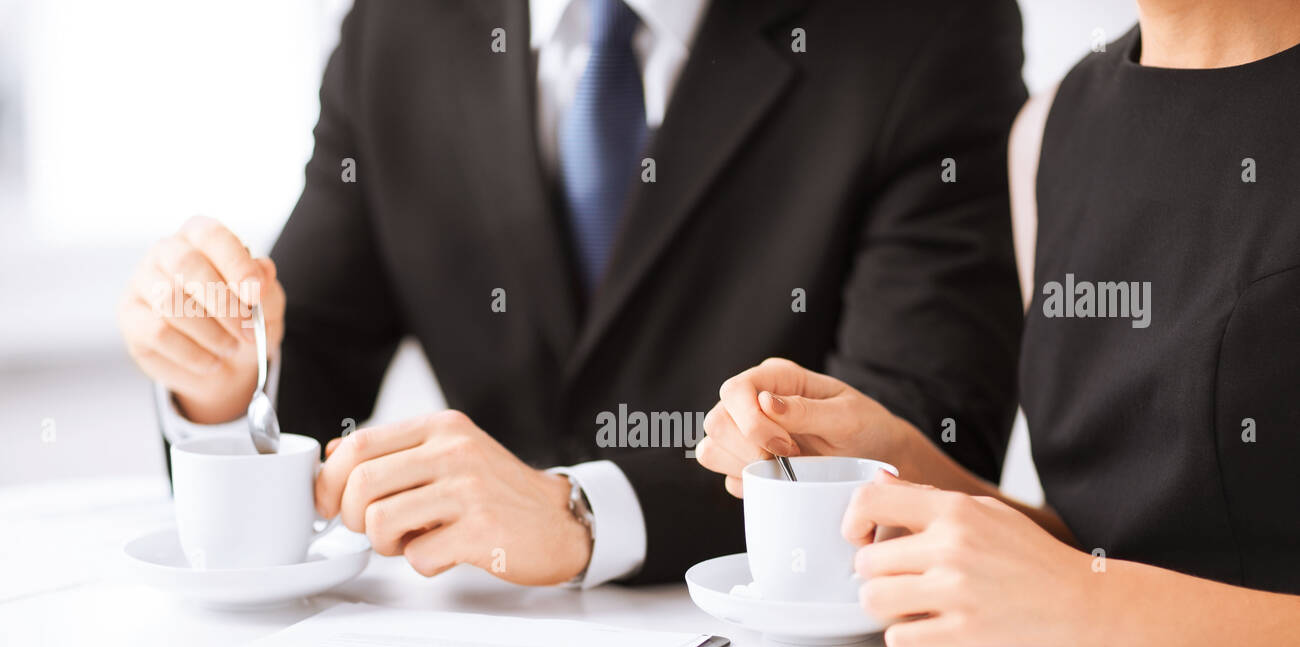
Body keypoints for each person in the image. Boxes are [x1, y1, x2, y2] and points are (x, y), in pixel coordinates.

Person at [115, 0, 1026, 587]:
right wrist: (222, 380)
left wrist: (580, 513)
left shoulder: (926, 26)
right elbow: (302, 391)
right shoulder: (399, 27)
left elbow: (921, 428)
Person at [696, 0, 1300, 647]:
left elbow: (1092, 590)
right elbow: (1108, 545)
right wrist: (892, 460)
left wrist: (1096, 605)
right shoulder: (1049, 131)